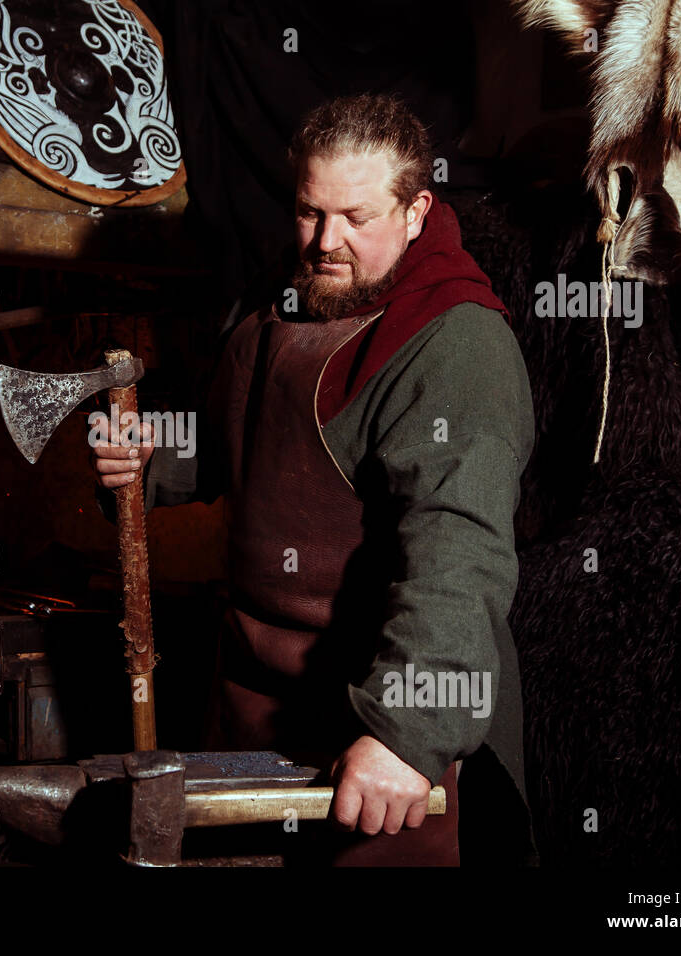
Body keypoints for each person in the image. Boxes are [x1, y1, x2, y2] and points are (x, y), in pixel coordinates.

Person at [92, 93, 536, 866]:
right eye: (309, 213)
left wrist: (408, 732)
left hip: (380, 732)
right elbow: (242, 448)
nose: (327, 241)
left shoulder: (456, 343)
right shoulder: (280, 307)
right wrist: (153, 457)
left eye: (356, 217)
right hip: (249, 710)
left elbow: (458, 558)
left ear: (417, 211)